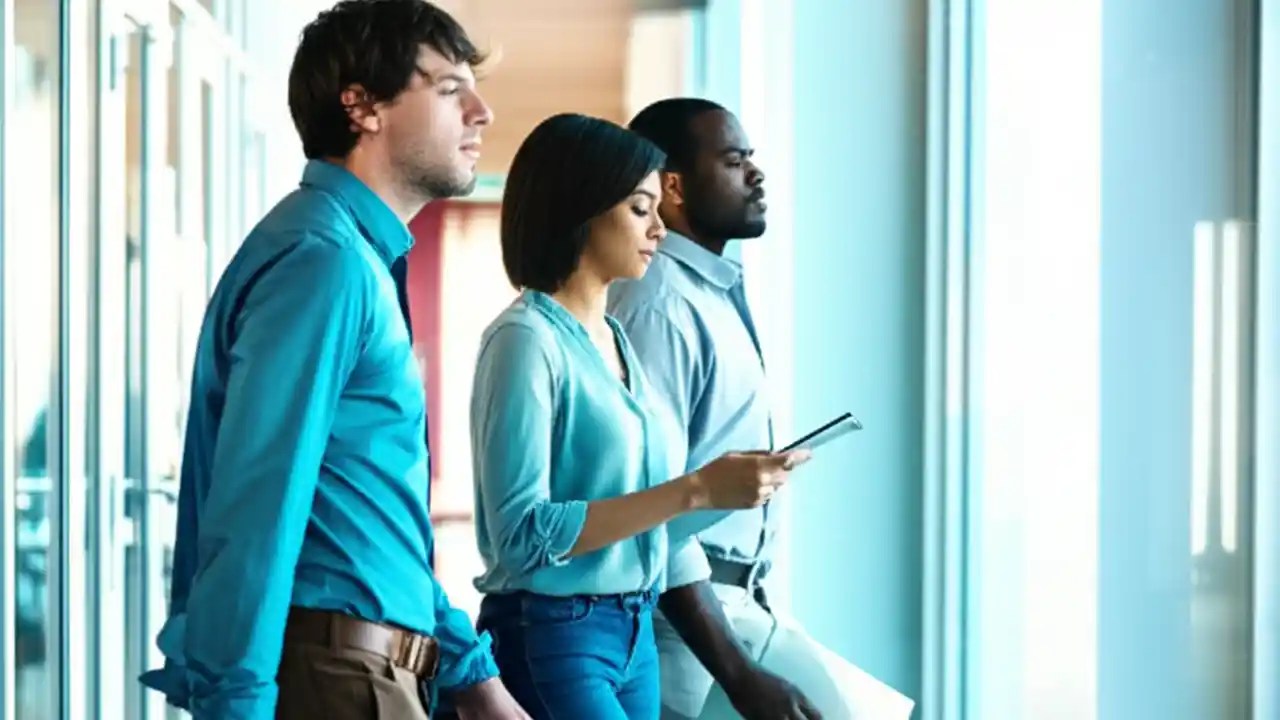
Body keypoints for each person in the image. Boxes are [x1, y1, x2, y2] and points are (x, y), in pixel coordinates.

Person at [138, 2, 529, 718]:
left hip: (372, 673)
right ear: (362, 106)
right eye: (449, 89)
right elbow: (257, 507)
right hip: (342, 682)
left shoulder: (353, 258)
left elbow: (370, 522)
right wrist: (237, 707)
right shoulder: (326, 264)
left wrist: (477, 681)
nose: (481, 112)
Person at [468, 113, 816, 720]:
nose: (658, 227)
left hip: (633, 632)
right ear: (580, 208)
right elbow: (521, 536)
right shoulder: (525, 341)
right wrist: (696, 490)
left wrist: (711, 494)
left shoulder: (617, 340)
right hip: (556, 632)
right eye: (638, 208)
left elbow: (650, 517)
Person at [609, 98, 915, 719]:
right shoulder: (660, 306)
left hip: (738, 610)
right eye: (734, 159)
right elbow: (655, 508)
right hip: (693, 633)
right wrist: (739, 674)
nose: (757, 174)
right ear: (672, 186)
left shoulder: (707, 293)